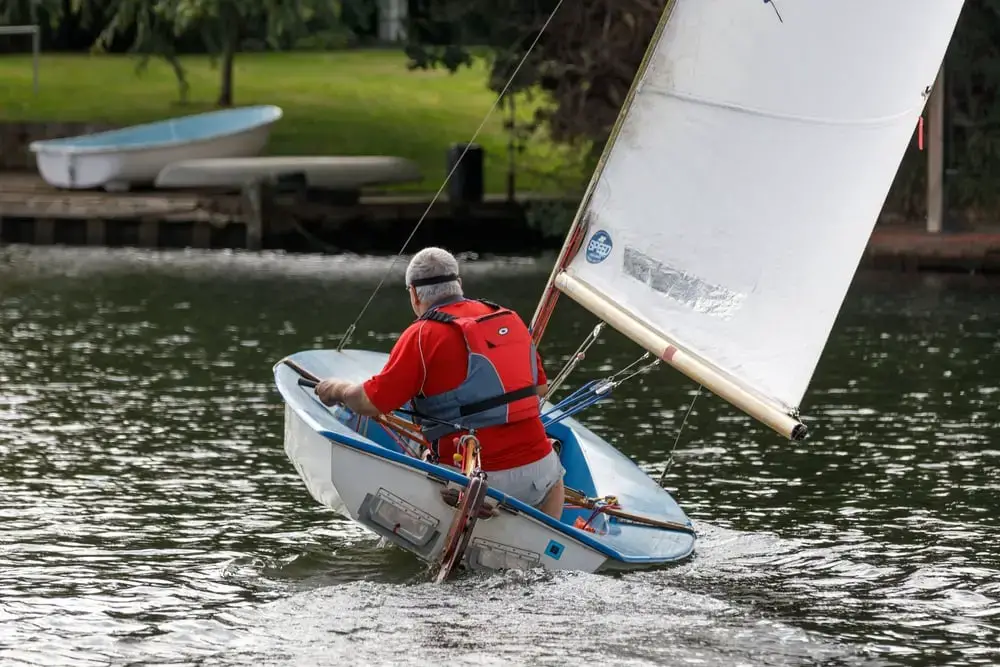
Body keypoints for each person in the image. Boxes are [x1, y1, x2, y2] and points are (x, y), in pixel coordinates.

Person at [314, 247, 566, 519]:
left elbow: (371, 403)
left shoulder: (422, 334)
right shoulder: (509, 318)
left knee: (424, 459)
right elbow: (540, 389)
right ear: (458, 283)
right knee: (553, 476)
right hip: (539, 475)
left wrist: (337, 389)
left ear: (413, 293)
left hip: (475, 482)